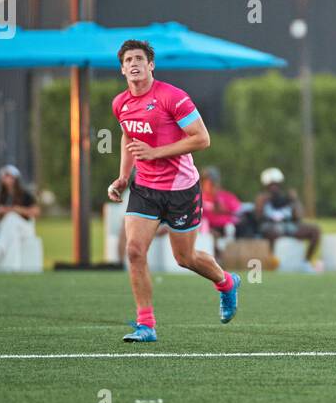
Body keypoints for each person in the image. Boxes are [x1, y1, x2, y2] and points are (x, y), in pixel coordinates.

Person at [106, 39, 238, 343]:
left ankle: (226, 283)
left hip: (181, 188)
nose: (134, 64)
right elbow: (128, 138)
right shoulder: (120, 103)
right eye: (128, 60)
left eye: (140, 59)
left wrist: (157, 153)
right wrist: (124, 176)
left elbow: (202, 139)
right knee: (135, 251)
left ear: (151, 65)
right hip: (145, 189)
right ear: (122, 68)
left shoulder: (173, 97)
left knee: (185, 258)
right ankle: (146, 325)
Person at [254, 169, 321, 266]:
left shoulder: (287, 198)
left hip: (288, 226)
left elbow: (299, 216)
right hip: (269, 226)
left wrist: (295, 200)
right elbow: (258, 218)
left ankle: (306, 261)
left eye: (276, 184)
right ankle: (272, 262)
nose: (274, 187)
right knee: (275, 231)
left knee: (315, 231)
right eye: (271, 185)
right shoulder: (262, 198)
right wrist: (264, 201)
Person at [0, 164, 41, 267]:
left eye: (8, 176)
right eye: (4, 176)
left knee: (12, 217)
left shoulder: (25, 195)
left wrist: (15, 210)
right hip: (6, 229)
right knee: (13, 233)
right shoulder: (0, 197)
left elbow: (36, 212)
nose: (6, 179)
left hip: (25, 228)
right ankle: (13, 267)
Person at [201, 167, 241, 252]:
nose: (209, 184)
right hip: (208, 230)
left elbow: (237, 210)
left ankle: (228, 253)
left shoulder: (225, 196)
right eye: (206, 181)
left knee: (230, 228)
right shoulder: (198, 198)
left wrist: (220, 204)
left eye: (212, 182)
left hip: (226, 229)